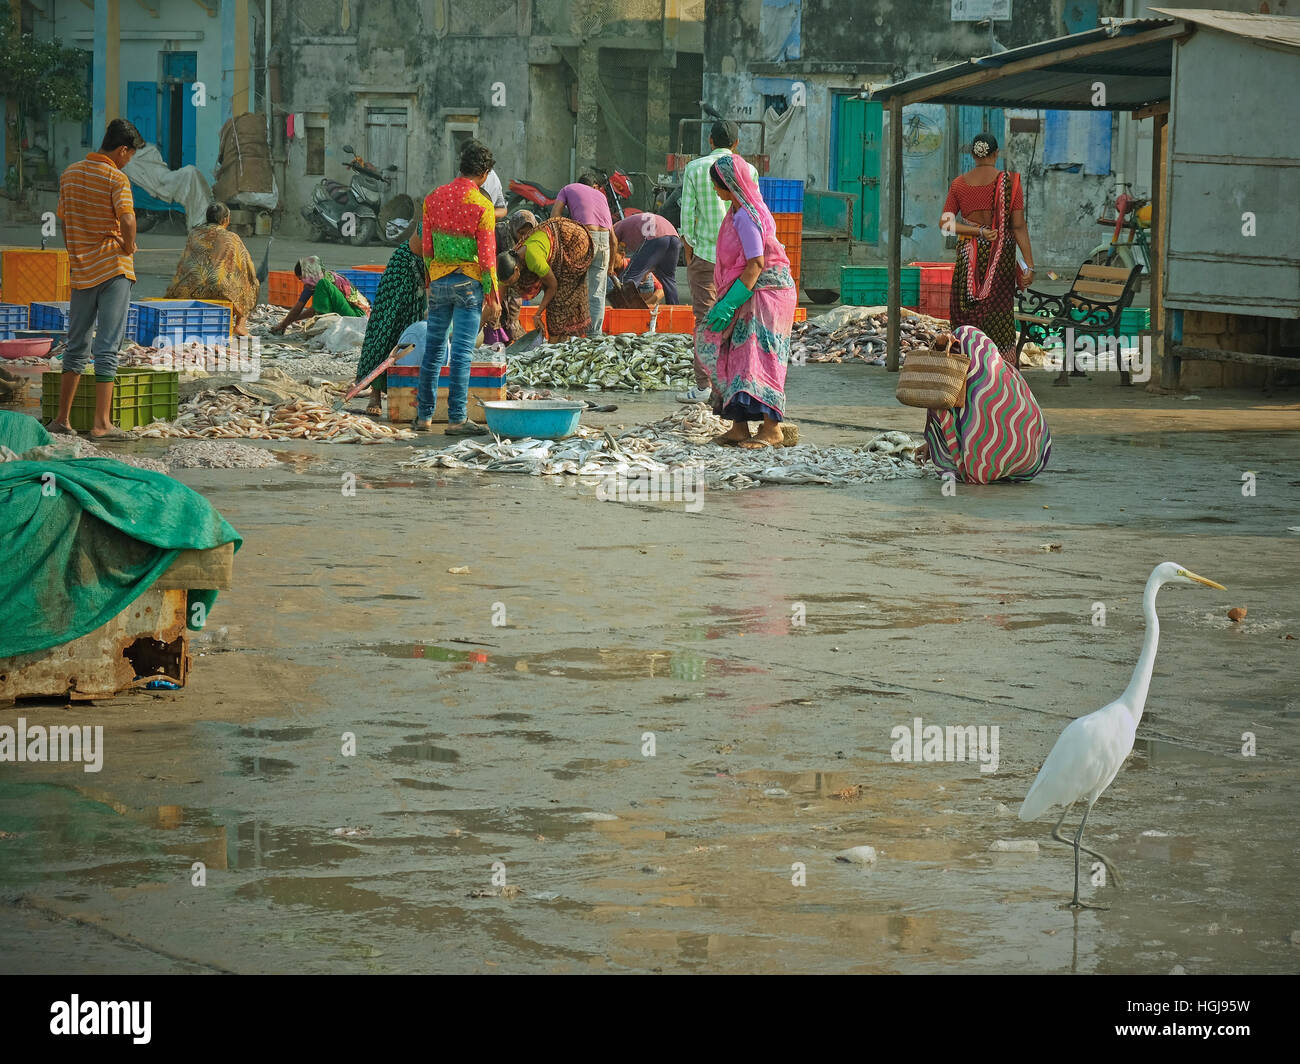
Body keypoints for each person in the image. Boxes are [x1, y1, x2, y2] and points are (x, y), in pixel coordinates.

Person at [47, 118, 145, 440]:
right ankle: (102, 424)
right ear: (121, 150)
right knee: (107, 347)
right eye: (130, 154)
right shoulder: (116, 178)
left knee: (75, 346)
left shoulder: (69, 174)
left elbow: (64, 223)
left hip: (82, 270)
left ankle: (62, 419)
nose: (128, 160)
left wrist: (77, 253)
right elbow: (128, 219)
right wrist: (129, 246)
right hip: (113, 268)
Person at [697, 154, 797, 449]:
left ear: (729, 185)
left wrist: (728, 303)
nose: (716, 191)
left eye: (717, 187)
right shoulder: (740, 211)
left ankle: (772, 430)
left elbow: (755, 263)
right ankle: (739, 426)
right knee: (733, 354)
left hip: (765, 294)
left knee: (760, 358)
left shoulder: (746, 217)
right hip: (749, 291)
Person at [415, 139, 501, 435]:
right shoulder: (482, 205)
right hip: (469, 283)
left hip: (438, 280)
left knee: (434, 350)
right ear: (485, 173)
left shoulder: (433, 198)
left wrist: (430, 280)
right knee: (462, 352)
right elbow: (488, 258)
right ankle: (456, 419)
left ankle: (423, 417)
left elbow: (427, 248)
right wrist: (493, 296)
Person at [679, 120, 760, 403]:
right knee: (736, 318)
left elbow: (687, 212)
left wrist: (688, 245)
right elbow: (755, 211)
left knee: (704, 319)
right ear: (736, 144)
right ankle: (734, 382)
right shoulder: (748, 170)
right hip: (741, 261)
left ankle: (704, 386)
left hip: (705, 254)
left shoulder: (694, 168)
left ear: (710, 141)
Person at [940, 133, 1035, 369]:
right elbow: (1019, 226)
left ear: (973, 155)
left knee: (966, 311)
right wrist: (1029, 265)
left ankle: (966, 365)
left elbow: (946, 224)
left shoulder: (959, 184)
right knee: (998, 313)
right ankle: (1000, 370)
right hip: (1001, 257)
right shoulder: (1011, 183)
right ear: (996, 154)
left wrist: (977, 232)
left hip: (968, 258)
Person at [917, 325, 1052, 483]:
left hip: (985, 468)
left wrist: (936, 445)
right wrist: (931, 445)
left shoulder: (969, 387)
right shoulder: (1008, 376)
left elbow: (946, 413)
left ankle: (978, 465)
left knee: (947, 404)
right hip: (1029, 463)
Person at [353, 223, 429, 415]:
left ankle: (406, 393)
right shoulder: (435, 216)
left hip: (423, 278)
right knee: (385, 329)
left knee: (412, 337)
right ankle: (375, 393)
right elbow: (430, 256)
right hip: (404, 270)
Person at [163, 202, 259, 336]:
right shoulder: (232, 237)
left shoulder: (194, 233)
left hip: (187, 288)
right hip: (219, 290)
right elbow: (246, 265)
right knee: (251, 284)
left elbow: (184, 263)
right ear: (225, 220)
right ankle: (240, 325)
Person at [504, 217, 594, 340]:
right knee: (555, 298)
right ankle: (561, 341)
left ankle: (556, 344)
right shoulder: (509, 258)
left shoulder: (533, 259)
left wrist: (537, 314)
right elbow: (501, 287)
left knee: (559, 300)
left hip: (575, 240)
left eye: (511, 281)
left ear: (516, 270)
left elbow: (553, 286)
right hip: (560, 235)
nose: (511, 284)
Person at [551, 171, 613, 337]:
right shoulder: (601, 196)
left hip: (585, 236)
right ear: (593, 186)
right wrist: (611, 265)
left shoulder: (567, 189)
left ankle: (571, 333)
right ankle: (595, 335)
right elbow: (613, 237)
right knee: (597, 292)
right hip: (604, 240)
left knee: (573, 288)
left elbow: (555, 216)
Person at [271, 257, 369, 334]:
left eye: (303, 278)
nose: (303, 282)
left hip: (357, 316)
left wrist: (286, 323)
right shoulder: (314, 282)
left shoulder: (324, 282)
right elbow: (302, 305)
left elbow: (312, 310)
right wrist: (288, 321)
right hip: (348, 312)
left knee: (323, 286)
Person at [613, 210, 680, 304]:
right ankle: (675, 312)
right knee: (668, 279)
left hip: (655, 235)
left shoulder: (613, 229)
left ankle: (625, 313)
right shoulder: (629, 228)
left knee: (628, 279)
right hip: (674, 236)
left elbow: (611, 248)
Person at [492, 210, 537, 340]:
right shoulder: (499, 232)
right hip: (499, 274)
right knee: (496, 311)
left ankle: (513, 334)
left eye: (528, 233)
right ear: (513, 228)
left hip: (517, 277)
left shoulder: (538, 236)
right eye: (521, 233)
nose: (524, 237)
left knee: (514, 309)